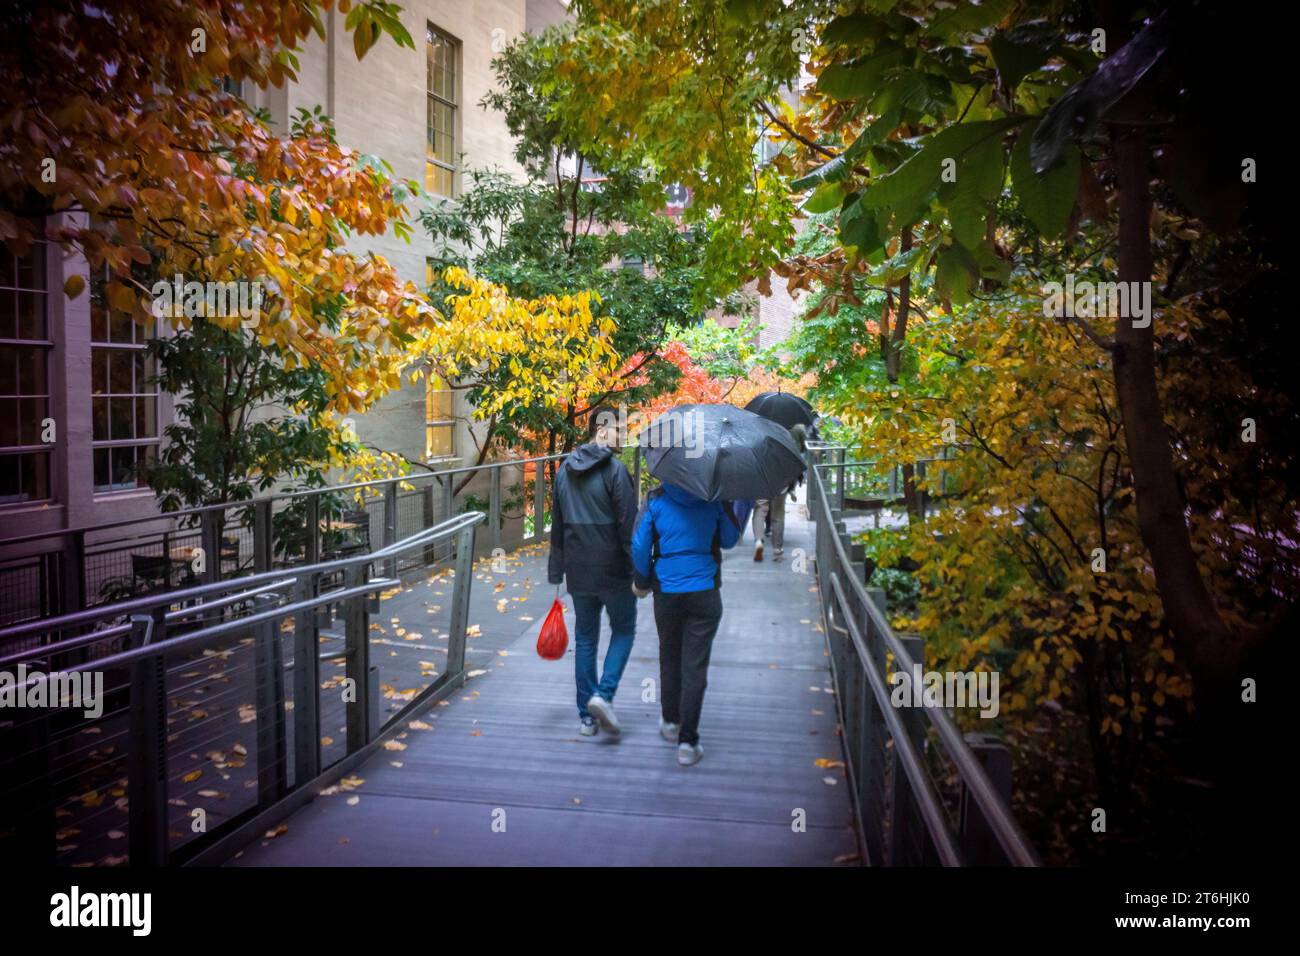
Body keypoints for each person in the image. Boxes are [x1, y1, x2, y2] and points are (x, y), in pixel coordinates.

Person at [631, 484, 743, 766]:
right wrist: (727, 502)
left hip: (667, 589)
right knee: (695, 666)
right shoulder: (714, 497)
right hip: (704, 590)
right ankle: (688, 743)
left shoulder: (655, 499)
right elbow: (730, 539)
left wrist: (642, 581)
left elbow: (640, 544)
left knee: (669, 656)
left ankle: (671, 722)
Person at [548, 407, 638, 738]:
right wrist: (639, 574)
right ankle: (604, 694)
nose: (624, 436)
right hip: (614, 571)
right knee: (624, 629)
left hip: (579, 572)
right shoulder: (615, 471)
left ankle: (587, 716)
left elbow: (556, 527)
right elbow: (629, 529)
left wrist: (556, 572)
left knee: (586, 637)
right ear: (601, 431)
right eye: (619, 430)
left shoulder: (563, 472)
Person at [752, 422, 809, 563]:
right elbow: (801, 448)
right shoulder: (795, 427)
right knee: (778, 514)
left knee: (760, 509)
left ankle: (759, 542)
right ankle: (777, 550)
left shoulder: (762, 425)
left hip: (763, 474)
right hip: (782, 476)